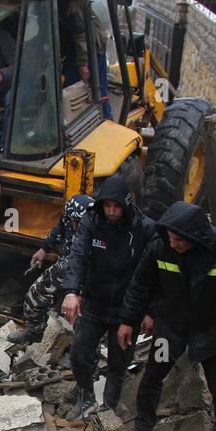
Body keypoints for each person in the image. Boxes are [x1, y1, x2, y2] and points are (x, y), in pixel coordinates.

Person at [117, 201, 216, 431]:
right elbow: (140, 286)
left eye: (178, 240)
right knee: (153, 376)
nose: (172, 244)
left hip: (213, 331)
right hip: (171, 327)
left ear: (193, 237)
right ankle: (143, 427)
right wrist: (128, 320)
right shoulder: (160, 248)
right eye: (169, 238)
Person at [55, 174, 157, 417]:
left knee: (118, 363)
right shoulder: (92, 222)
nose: (111, 212)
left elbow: (154, 273)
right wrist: (72, 292)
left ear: (126, 205)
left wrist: (150, 311)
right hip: (95, 301)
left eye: (116, 206)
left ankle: (108, 409)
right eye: (107, 206)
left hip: (127, 309)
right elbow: (78, 256)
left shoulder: (145, 229)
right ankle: (85, 394)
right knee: (79, 353)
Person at [8, 193, 94, 346]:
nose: (73, 225)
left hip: (88, 272)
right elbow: (59, 228)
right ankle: (34, 331)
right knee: (36, 294)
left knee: (83, 315)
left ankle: (83, 349)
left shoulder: (98, 231)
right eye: (71, 221)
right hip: (65, 265)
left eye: (77, 222)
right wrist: (44, 249)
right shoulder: (70, 215)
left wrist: (79, 293)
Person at [67, 0, 112, 120]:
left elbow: (80, 35)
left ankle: (107, 122)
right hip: (77, 46)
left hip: (92, 47)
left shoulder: (69, 5)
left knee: (98, 89)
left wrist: (83, 63)